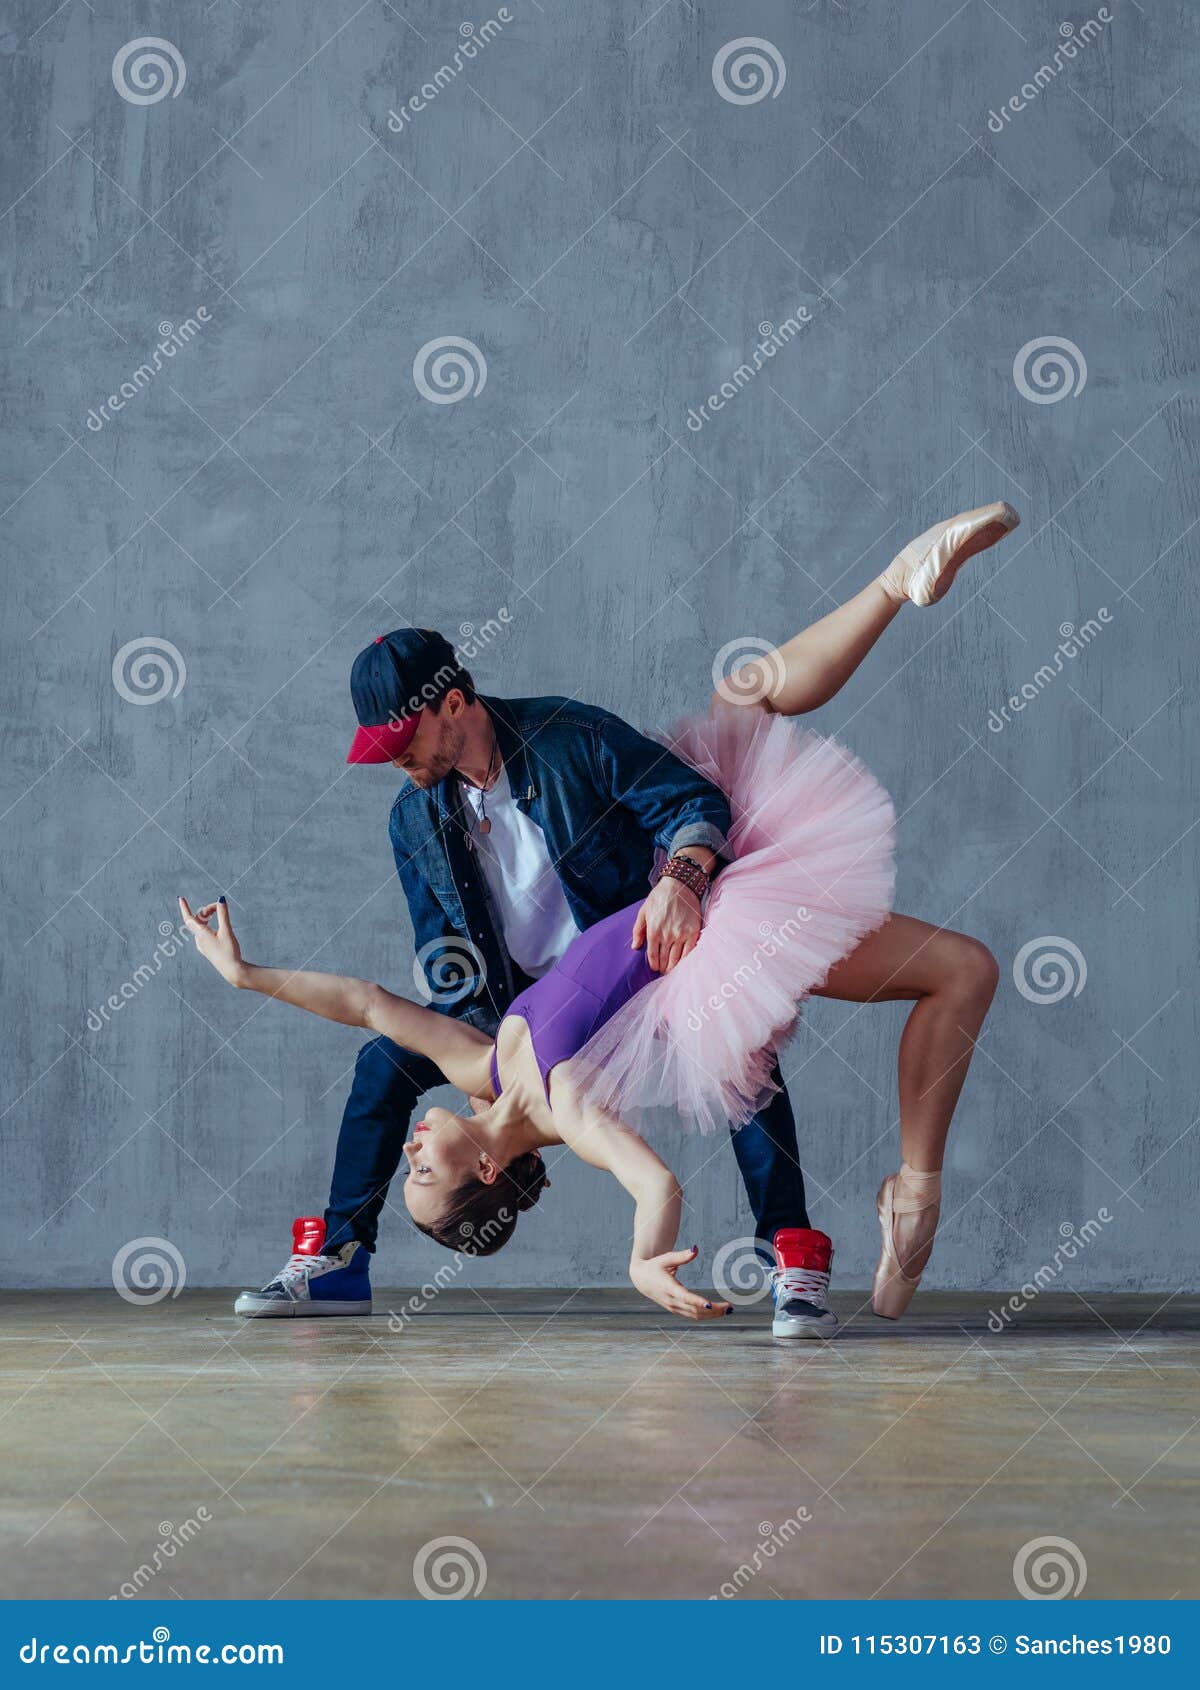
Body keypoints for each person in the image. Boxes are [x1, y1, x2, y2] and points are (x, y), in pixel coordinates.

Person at [185, 501, 1017, 1327]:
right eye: (382, 747)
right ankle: (336, 1260)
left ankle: (794, 1255)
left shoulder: (565, 736)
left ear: (452, 702)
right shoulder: (414, 821)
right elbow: (431, 963)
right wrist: (482, 1028)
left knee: (740, 1023)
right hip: (527, 1008)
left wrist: (682, 884)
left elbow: (691, 801)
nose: (395, 760)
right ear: (479, 1167)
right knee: (384, 1059)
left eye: (404, 736)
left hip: (655, 929)